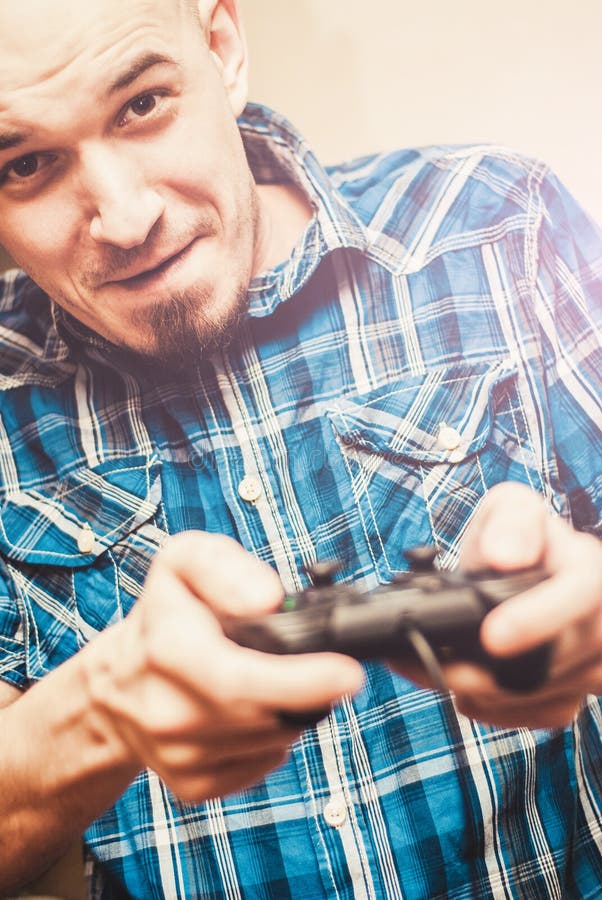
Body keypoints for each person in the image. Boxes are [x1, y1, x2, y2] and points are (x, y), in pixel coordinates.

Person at [0, 0, 600, 896]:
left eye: (142, 104)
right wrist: (99, 711)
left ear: (222, 49)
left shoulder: (500, 224)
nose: (124, 219)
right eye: (26, 163)